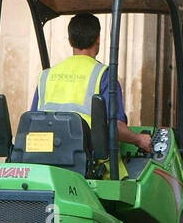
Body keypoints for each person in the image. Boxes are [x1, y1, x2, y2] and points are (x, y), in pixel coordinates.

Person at [32, 12, 152, 169]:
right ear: (98, 39)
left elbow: (33, 121)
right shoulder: (104, 76)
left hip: (45, 163)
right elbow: (114, 128)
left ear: (70, 41)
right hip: (88, 166)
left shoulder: (46, 76)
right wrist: (139, 140)